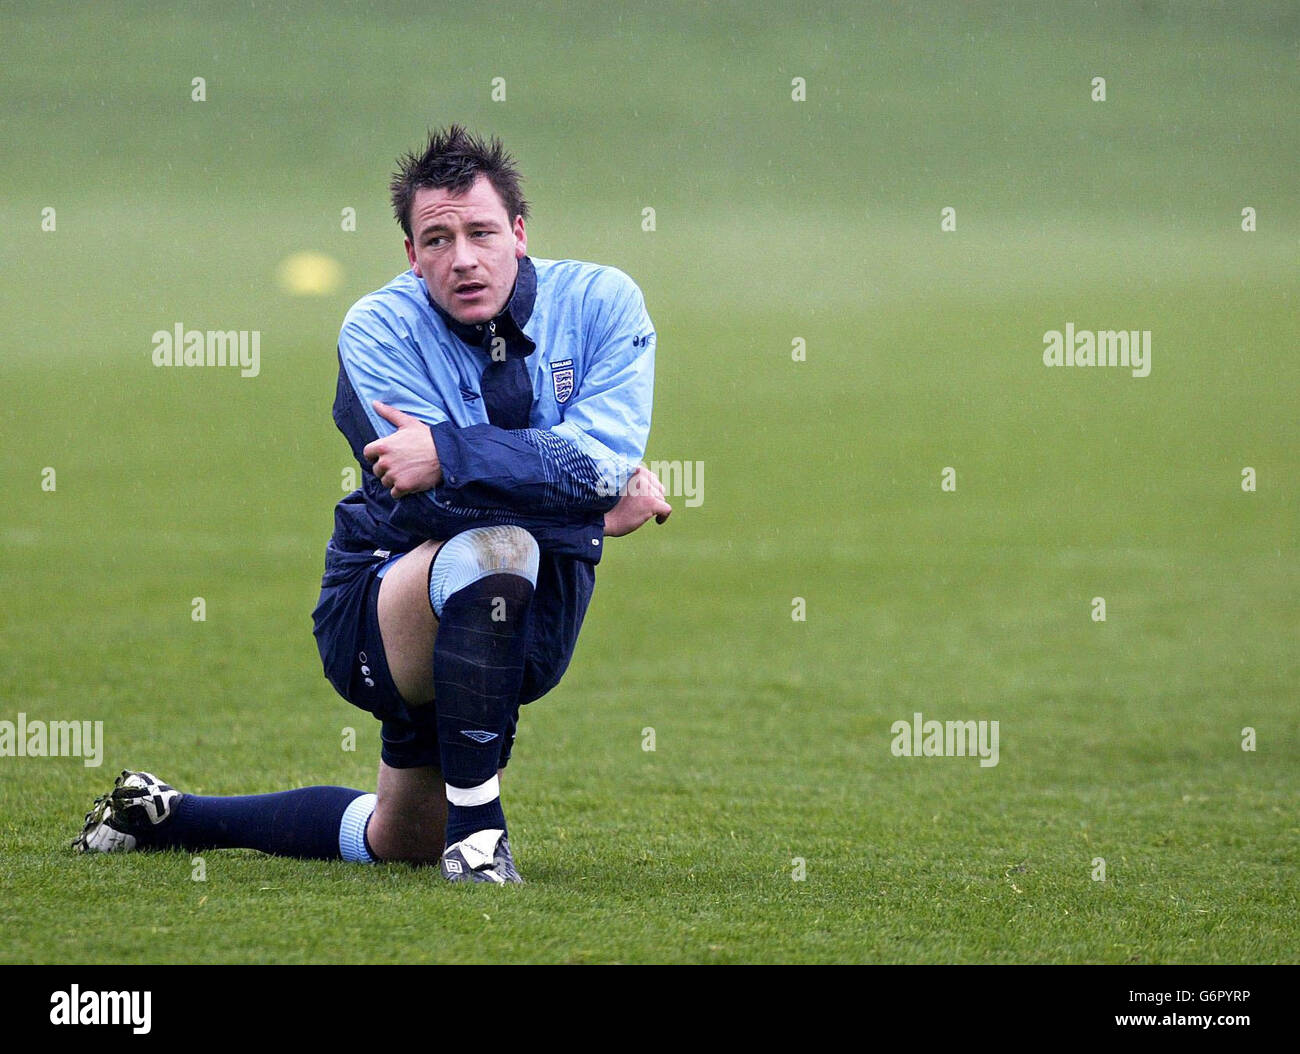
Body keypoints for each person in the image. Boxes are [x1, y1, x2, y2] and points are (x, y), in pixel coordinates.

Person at [73, 125, 671, 883]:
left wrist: (453, 453)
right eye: (436, 239)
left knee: (402, 837)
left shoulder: (603, 304)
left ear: (519, 235)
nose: (463, 257)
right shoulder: (377, 329)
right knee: (498, 549)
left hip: (524, 613)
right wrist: (590, 514)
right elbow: (435, 509)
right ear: (410, 255)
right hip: (385, 595)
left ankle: (161, 813)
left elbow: (599, 463)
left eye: (482, 231)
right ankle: (481, 844)